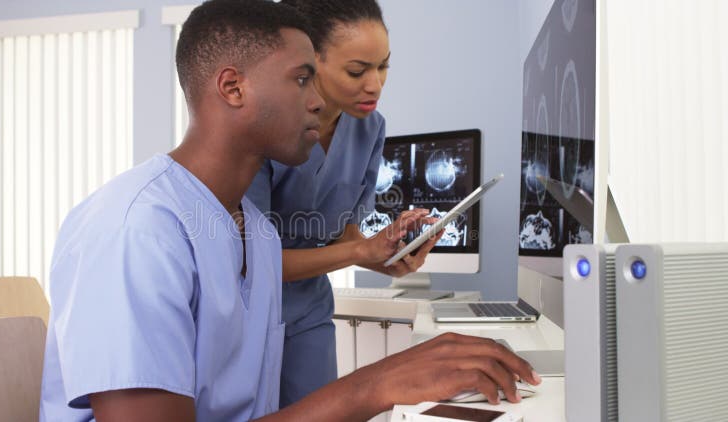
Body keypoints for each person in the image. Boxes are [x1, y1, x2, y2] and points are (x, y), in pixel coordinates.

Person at [39, 0, 540, 421]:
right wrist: (376, 385)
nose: (320, 103)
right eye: (303, 79)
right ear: (233, 88)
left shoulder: (253, 230)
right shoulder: (135, 231)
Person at [246, 0, 438, 407]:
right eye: (357, 71)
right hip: (249, 310)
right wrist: (356, 251)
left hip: (310, 308)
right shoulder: (268, 127)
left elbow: (345, 230)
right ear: (310, 60)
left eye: (383, 66)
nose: (375, 85)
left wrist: (384, 254)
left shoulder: (370, 127)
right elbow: (251, 260)